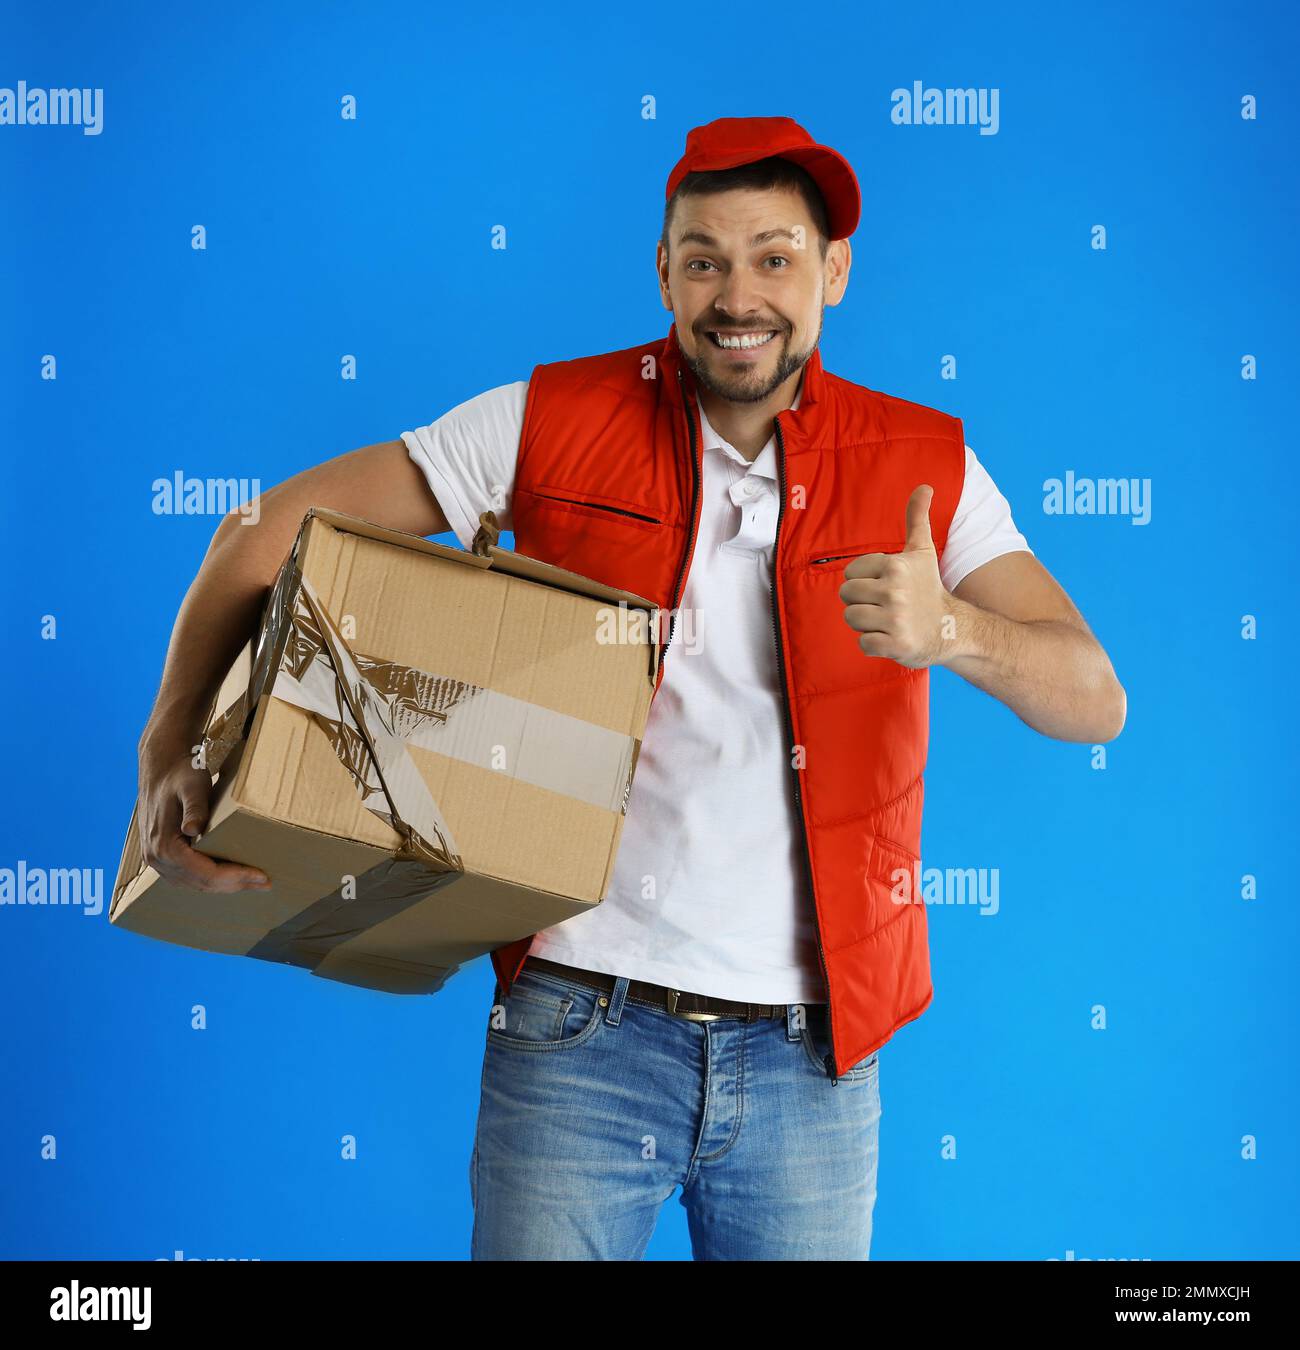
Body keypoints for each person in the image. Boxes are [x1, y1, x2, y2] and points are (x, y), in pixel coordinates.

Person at [135, 115, 1125, 1261]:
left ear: (833, 273)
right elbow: (256, 535)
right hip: (575, 1034)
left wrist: (951, 629)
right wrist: (169, 751)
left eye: (775, 256)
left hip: (817, 1060)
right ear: (663, 270)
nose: (736, 293)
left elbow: (1093, 698)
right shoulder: (545, 421)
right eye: (703, 257)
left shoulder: (926, 465)